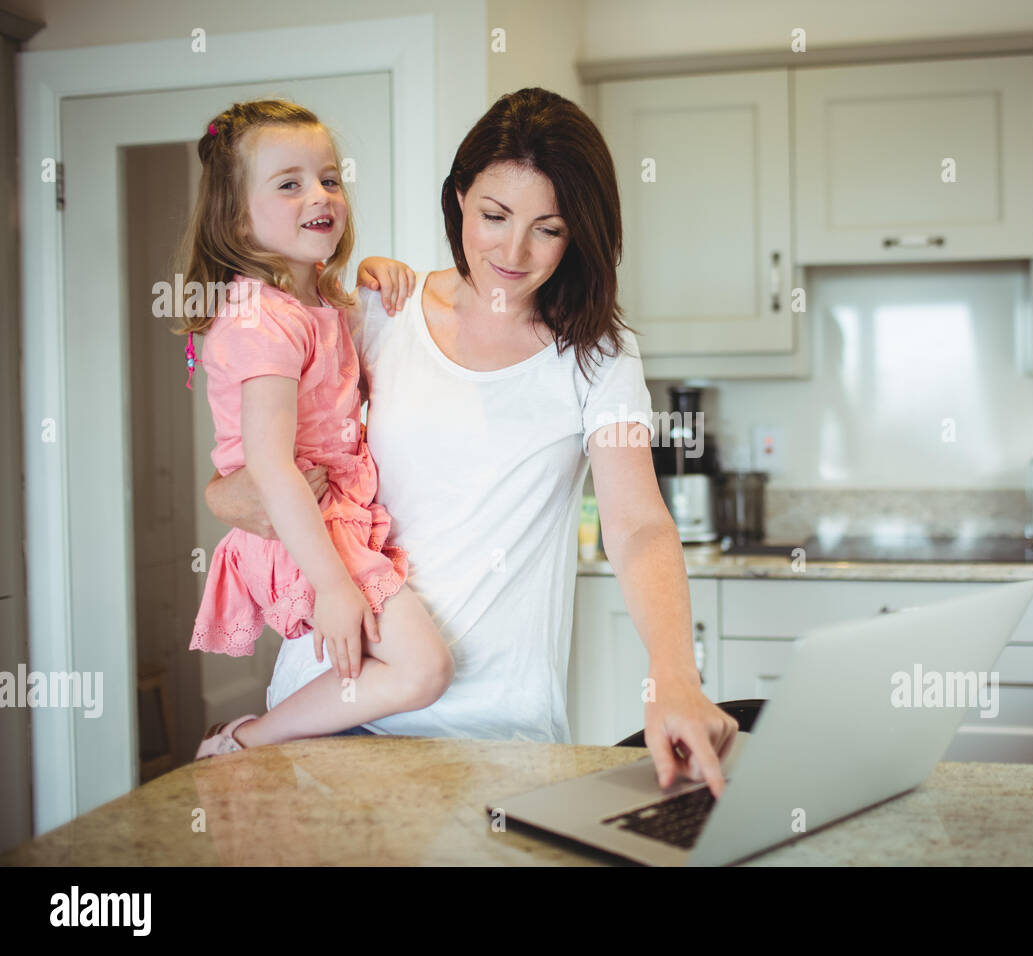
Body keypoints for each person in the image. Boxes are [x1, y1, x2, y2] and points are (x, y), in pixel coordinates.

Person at [205, 88, 738, 796]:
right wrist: (224, 496)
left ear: (580, 231)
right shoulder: (377, 313)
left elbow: (637, 525)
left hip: (498, 737)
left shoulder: (599, 353)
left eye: (548, 228)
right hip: (329, 708)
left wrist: (674, 675)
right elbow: (258, 458)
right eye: (494, 216)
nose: (513, 252)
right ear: (459, 198)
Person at [176, 99, 454, 759]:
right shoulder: (258, 320)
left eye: (329, 178)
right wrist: (332, 586)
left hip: (329, 515)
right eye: (289, 183)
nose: (320, 194)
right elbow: (271, 467)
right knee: (424, 668)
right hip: (302, 526)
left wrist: (366, 278)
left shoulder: (315, 301)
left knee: (413, 670)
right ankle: (248, 738)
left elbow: (348, 361)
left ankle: (262, 739)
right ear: (236, 217)